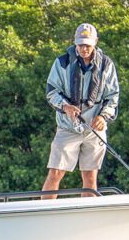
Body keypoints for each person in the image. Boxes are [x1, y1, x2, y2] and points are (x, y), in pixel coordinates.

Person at [42, 22, 119, 197]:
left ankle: (88, 218)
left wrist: (103, 116)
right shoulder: (62, 62)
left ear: (95, 42)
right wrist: (65, 106)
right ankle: (45, 214)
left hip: (94, 130)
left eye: (88, 44)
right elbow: (51, 92)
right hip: (68, 128)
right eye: (81, 44)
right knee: (55, 173)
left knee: (90, 177)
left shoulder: (106, 64)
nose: (84, 48)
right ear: (75, 43)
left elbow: (113, 96)